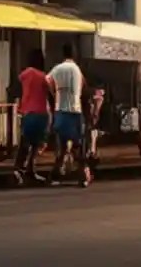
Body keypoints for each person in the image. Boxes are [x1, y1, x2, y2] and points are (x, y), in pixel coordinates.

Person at [46, 43, 90, 187]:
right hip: (75, 111)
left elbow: (47, 81)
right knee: (78, 146)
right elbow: (84, 87)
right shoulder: (77, 70)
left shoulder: (57, 69)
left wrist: (55, 93)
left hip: (60, 112)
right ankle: (82, 177)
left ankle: (54, 177)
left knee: (62, 146)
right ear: (75, 54)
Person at [12, 49, 49, 185]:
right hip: (41, 113)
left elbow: (15, 88)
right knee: (35, 144)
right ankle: (29, 169)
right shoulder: (44, 77)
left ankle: (19, 169)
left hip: (27, 112)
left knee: (25, 142)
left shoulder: (25, 74)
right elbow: (49, 93)